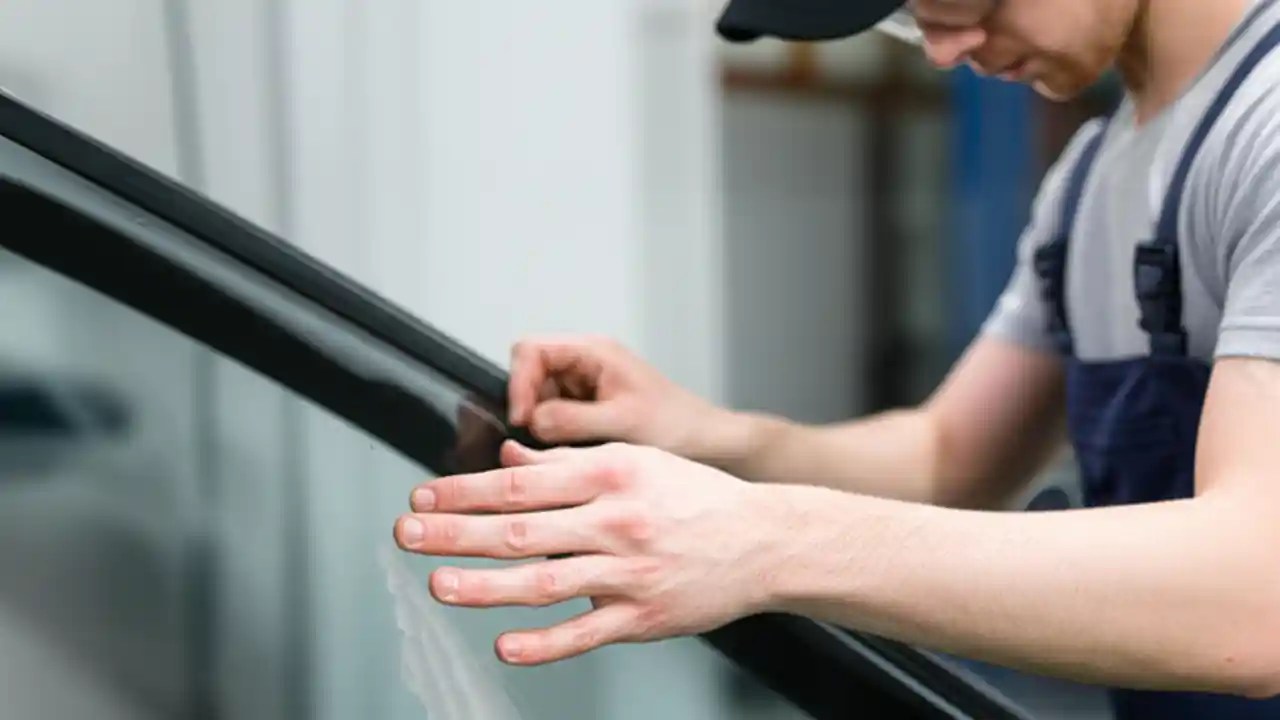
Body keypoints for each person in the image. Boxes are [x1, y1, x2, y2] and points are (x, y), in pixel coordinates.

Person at [393, 1, 1280, 717]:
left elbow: (1255, 594)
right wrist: (704, 434)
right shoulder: (1089, 180)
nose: (941, 49)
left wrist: (766, 543)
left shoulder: (1266, 124)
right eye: (908, 17)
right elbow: (949, 460)